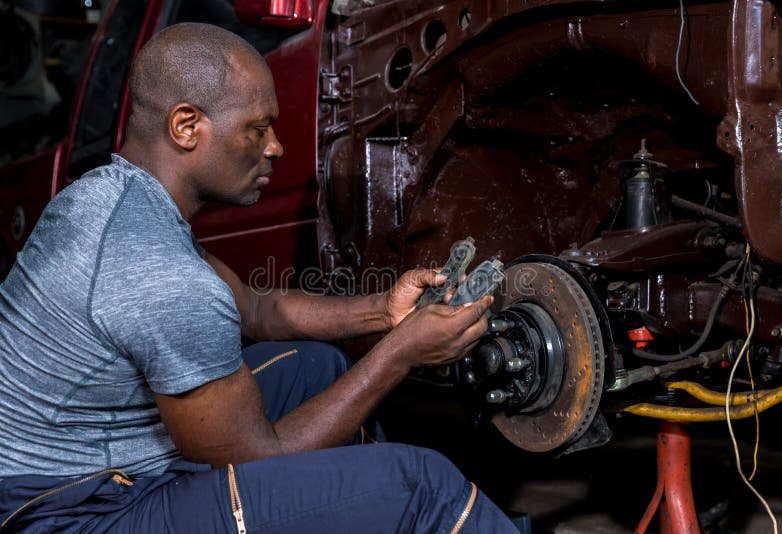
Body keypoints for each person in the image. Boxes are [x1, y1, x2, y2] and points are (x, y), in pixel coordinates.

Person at [0, 23, 518, 533]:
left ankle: (367, 513)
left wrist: (384, 313)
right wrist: (401, 352)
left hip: (78, 464)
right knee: (421, 485)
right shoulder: (160, 274)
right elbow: (261, 457)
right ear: (186, 127)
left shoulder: (108, 197)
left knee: (318, 367)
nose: (276, 147)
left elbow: (255, 308)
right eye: (257, 128)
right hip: (68, 512)